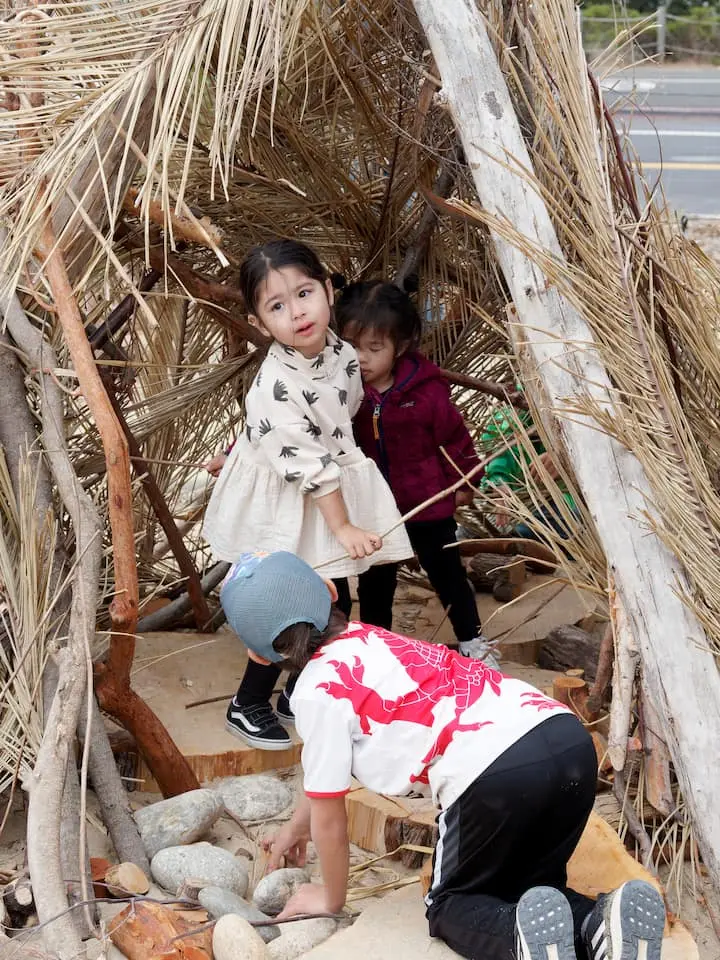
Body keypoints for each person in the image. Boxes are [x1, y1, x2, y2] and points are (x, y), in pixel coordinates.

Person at [220, 550, 667, 960]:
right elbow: (322, 783)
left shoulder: (317, 692)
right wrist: (293, 829)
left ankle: (519, 939)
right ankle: (600, 922)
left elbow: (331, 812)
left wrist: (329, 897)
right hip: (564, 741)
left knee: (450, 905)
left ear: (258, 656)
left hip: (492, 773)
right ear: (331, 593)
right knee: (528, 888)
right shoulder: (372, 638)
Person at [202, 240, 412, 750]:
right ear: (258, 319)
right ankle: (248, 702)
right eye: (277, 306)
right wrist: (342, 526)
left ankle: (302, 689)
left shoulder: (341, 351)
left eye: (305, 293)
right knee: (282, 602)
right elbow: (306, 465)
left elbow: (341, 417)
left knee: (329, 597)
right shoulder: (275, 382)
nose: (296, 312)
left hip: (327, 490)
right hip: (291, 500)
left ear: (328, 291)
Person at [336, 279, 490, 658]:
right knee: (376, 583)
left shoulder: (426, 392)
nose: (362, 358)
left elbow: (456, 439)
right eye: (353, 346)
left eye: (375, 348)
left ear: (401, 346)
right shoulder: (341, 392)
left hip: (427, 503)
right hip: (375, 511)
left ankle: (474, 643)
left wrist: (466, 481)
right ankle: (376, 652)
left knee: (448, 575)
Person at [480, 400, 577, 541]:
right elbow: (503, 446)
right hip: (522, 502)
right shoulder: (518, 404)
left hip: (568, 505)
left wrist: (564, 455)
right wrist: (499, 482)